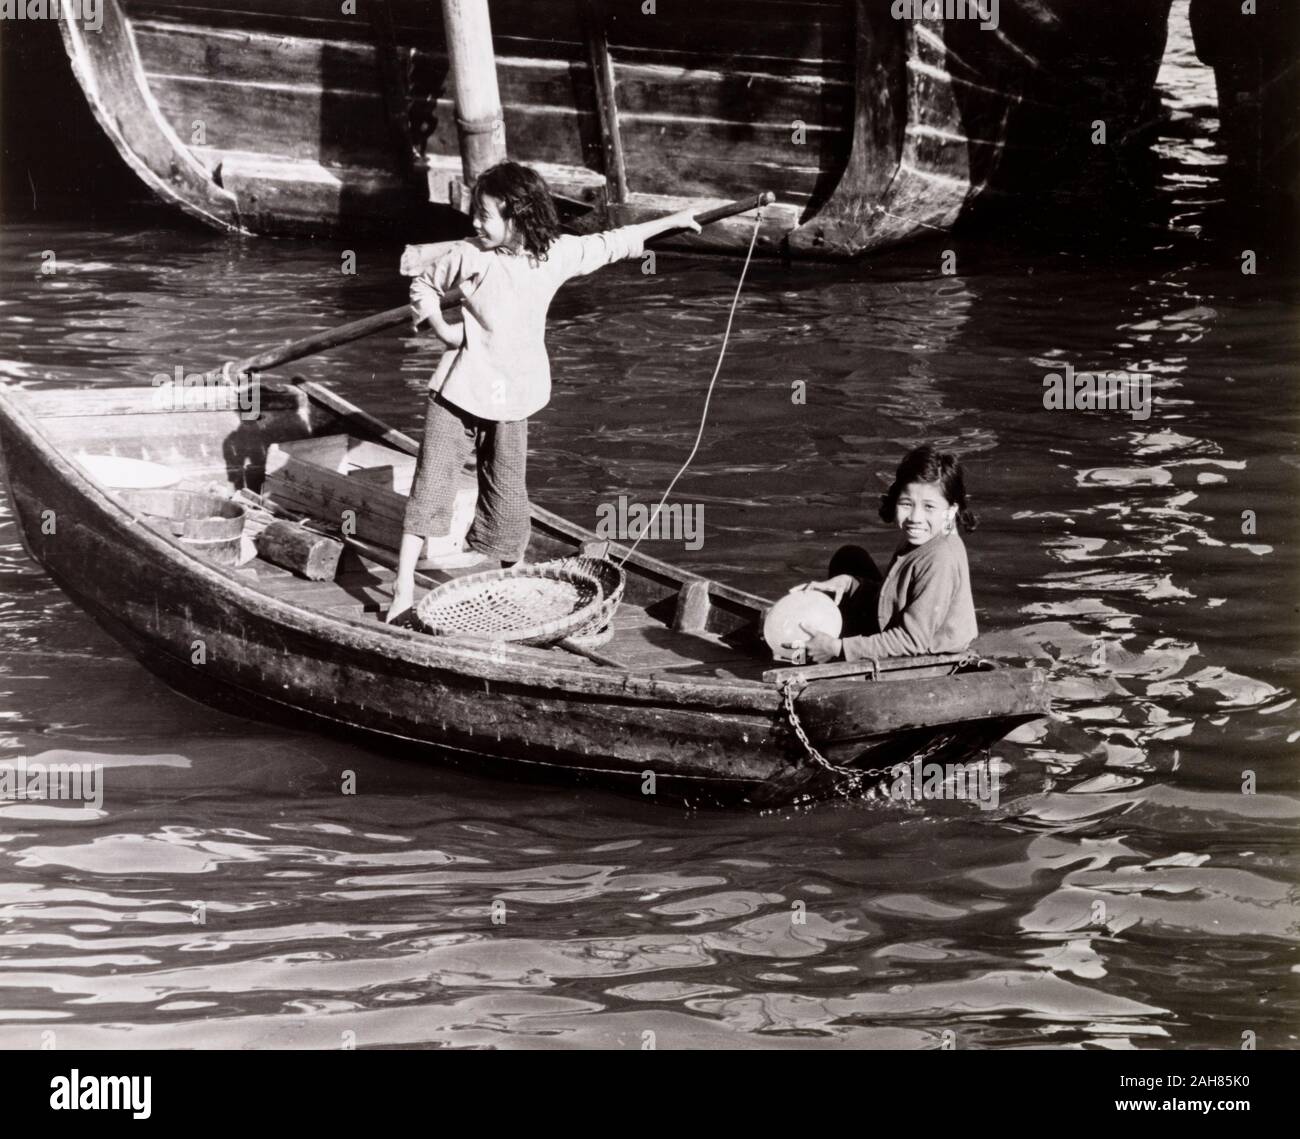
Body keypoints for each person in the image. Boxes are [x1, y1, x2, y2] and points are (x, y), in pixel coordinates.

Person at [387, 161, 702, 622]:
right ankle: (401, 587)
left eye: (485, 213)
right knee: (432, 486)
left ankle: (514, 581)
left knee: (509, 492)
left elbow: (613, 243)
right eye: (475, 211)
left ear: (518, 216)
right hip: (458, 392)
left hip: (513, 396)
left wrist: (671, 222)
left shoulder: (553, 255)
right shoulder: (469, 253)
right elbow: (425, 284)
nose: (475, 221)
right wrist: (441, 328)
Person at [786, 445, 978, 663]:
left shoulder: (941, 558)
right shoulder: (922, 535)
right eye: (907, 504)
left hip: (928, 656)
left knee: (839, 638)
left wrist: (838, 647)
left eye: (929, 507)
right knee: (849, 558)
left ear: (951, 511)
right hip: (910, 634)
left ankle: (834, 647)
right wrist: (849, 585)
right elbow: (898, 593)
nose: (915, 517)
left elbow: (912, 640)